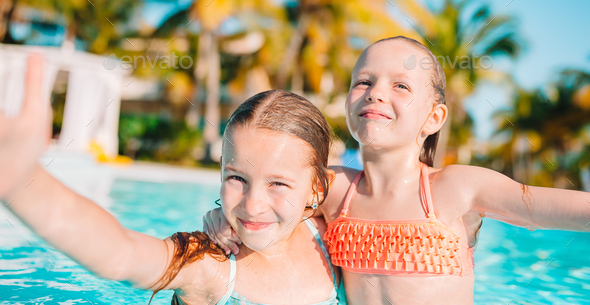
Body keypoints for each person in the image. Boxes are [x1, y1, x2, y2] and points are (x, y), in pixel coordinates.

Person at [203, 36, 590, 305]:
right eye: (364, 82)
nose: (376, 92)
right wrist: (220, 216)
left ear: (434, 117)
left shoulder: (455, 188)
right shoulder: (334, 188)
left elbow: (538, 205)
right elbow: (262, 202)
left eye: (400, 86)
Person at [0, 54, 346, 305]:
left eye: (278, 184)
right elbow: (120, 252)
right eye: (237, 177)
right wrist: (21, 182)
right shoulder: (208, 265)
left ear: (317, 187)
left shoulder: (335, 239)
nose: (252, 204)